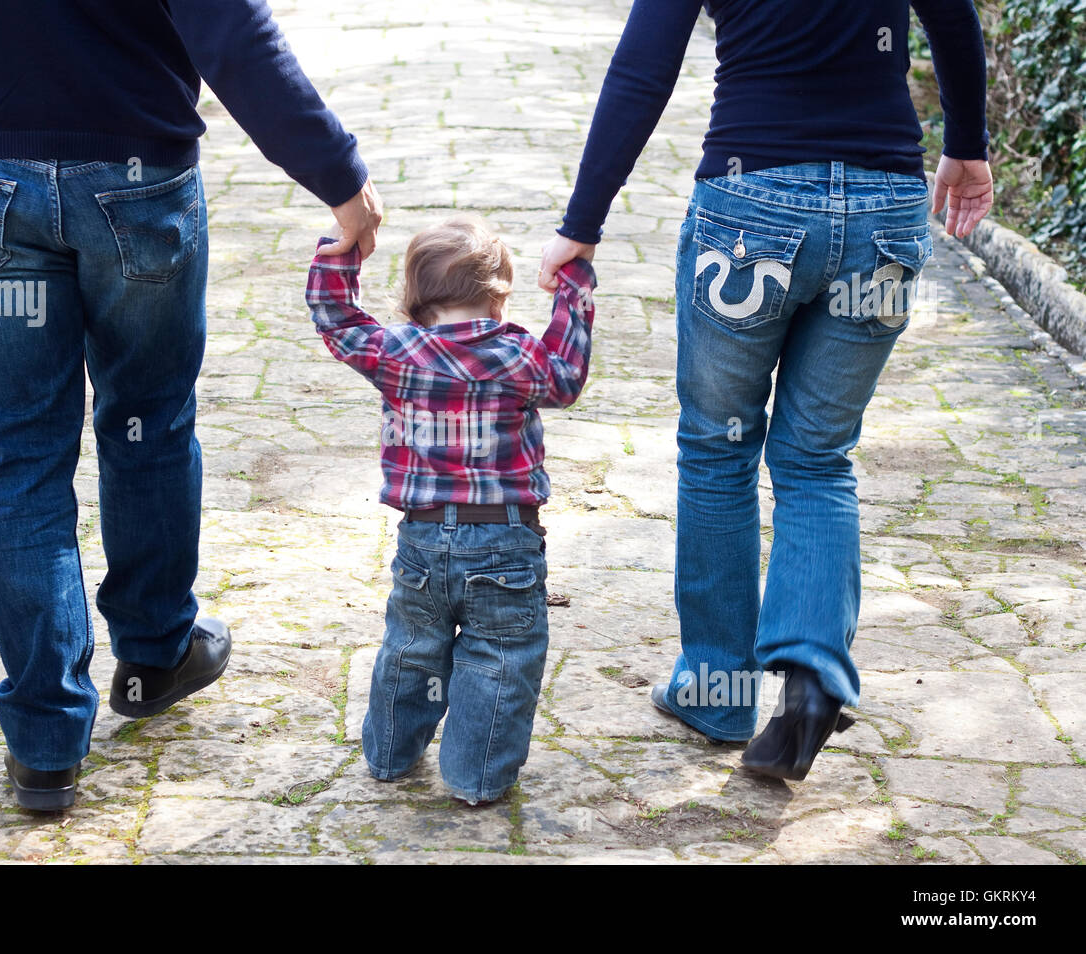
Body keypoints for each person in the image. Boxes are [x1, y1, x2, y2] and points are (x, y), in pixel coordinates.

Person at [0, 0, 382, 811]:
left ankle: (44, 742)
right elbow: (230, 29)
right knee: (151, 420)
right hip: (135, 179)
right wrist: (337, 175)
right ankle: (155, 653)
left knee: (18, 449)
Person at [538, 0, 993, 779]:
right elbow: (952, 18)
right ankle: (813, 678)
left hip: (751, 211)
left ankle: (716, 692)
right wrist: (967, 145)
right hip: (885, 209)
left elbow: (644, 68)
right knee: (818, 457)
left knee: (719, 450)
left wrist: (582, 223)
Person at [307, 216, 597, 804]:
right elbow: (567, 377)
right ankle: (476, 776)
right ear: (498, 295)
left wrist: (339, 256)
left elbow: (336, 320)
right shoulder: (519, 356)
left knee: (412, 650)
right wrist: (574, 286)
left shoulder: (394, 352)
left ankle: (390, 756)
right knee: (501, 659)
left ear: (415, 297)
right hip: (506, 543)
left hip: (421, 541)